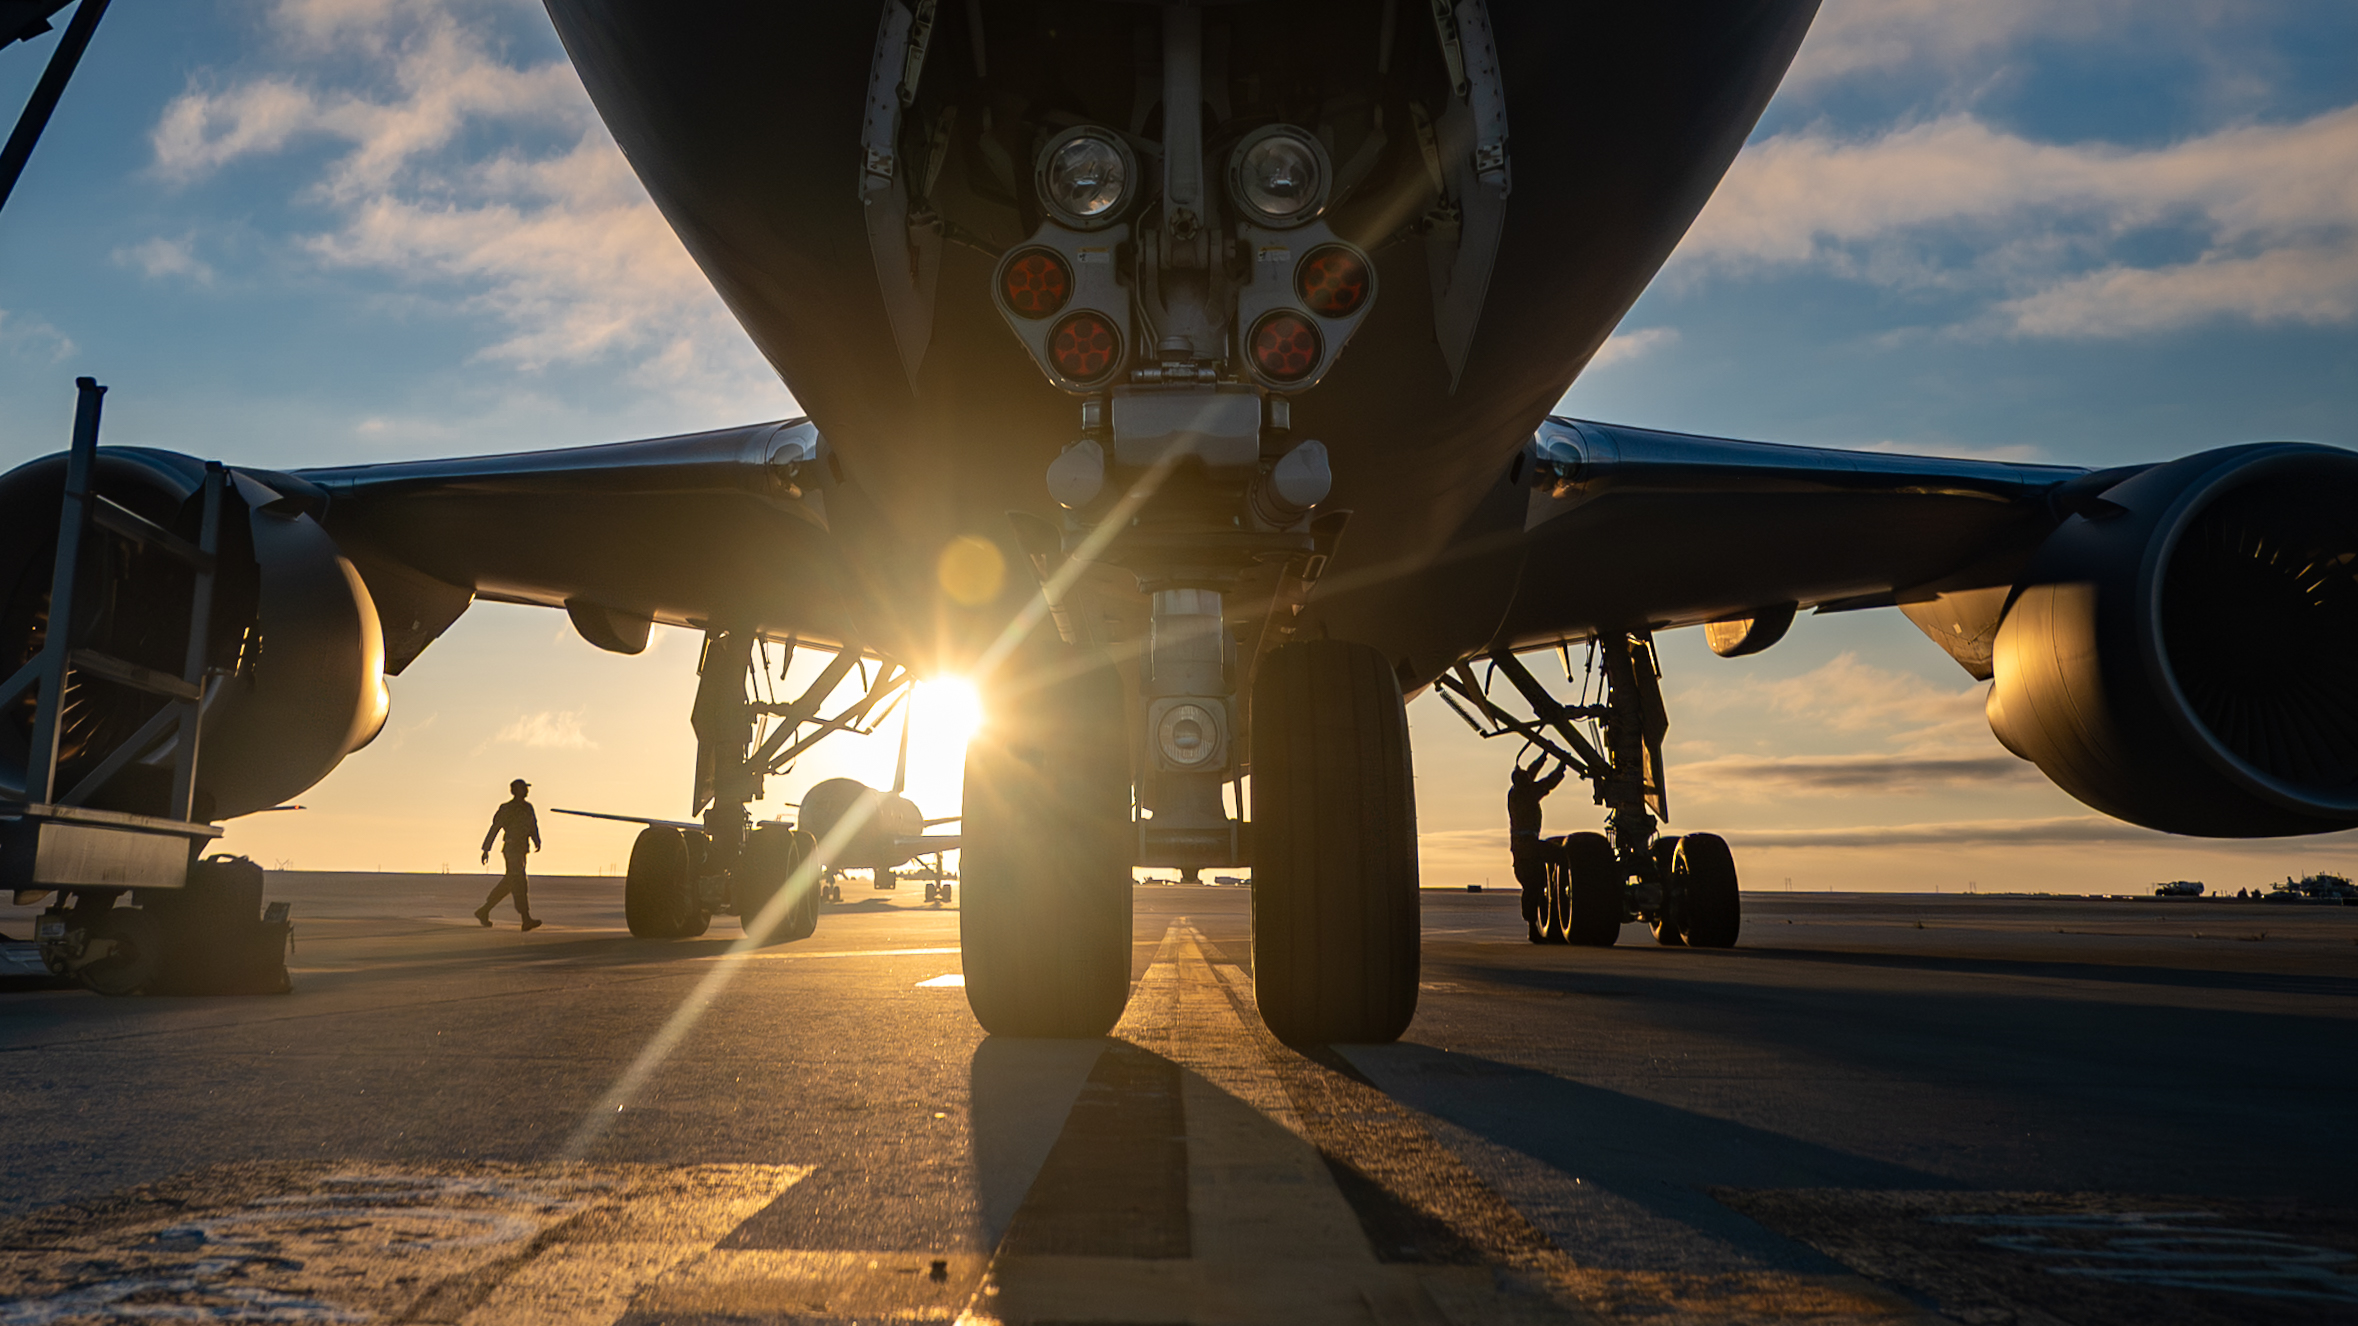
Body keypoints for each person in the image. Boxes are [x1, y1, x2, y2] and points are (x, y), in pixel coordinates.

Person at [1508, 756, 1567, 940]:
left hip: (1522, 847)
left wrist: (1543, 755)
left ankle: (1535, 925)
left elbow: (1531, 772)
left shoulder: (1515, 792)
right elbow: (1548, 783)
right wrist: (1561, 767)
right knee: (1536, 883)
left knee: (1532, 886)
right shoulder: (1528, 793)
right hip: (1529, 847)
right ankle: (1534, 928)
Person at [476, 779, 544, 931]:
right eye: (523, 788)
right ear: (515, 790)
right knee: (519, 882)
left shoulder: (528, 808)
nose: (527, 791)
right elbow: (495, 828)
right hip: (512, 849)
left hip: (522, 849)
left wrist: (536, 840)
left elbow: (533, 825)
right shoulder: (507, 808)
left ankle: (484, 910)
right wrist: (486, 849)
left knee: (510, 883)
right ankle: (525, 919)